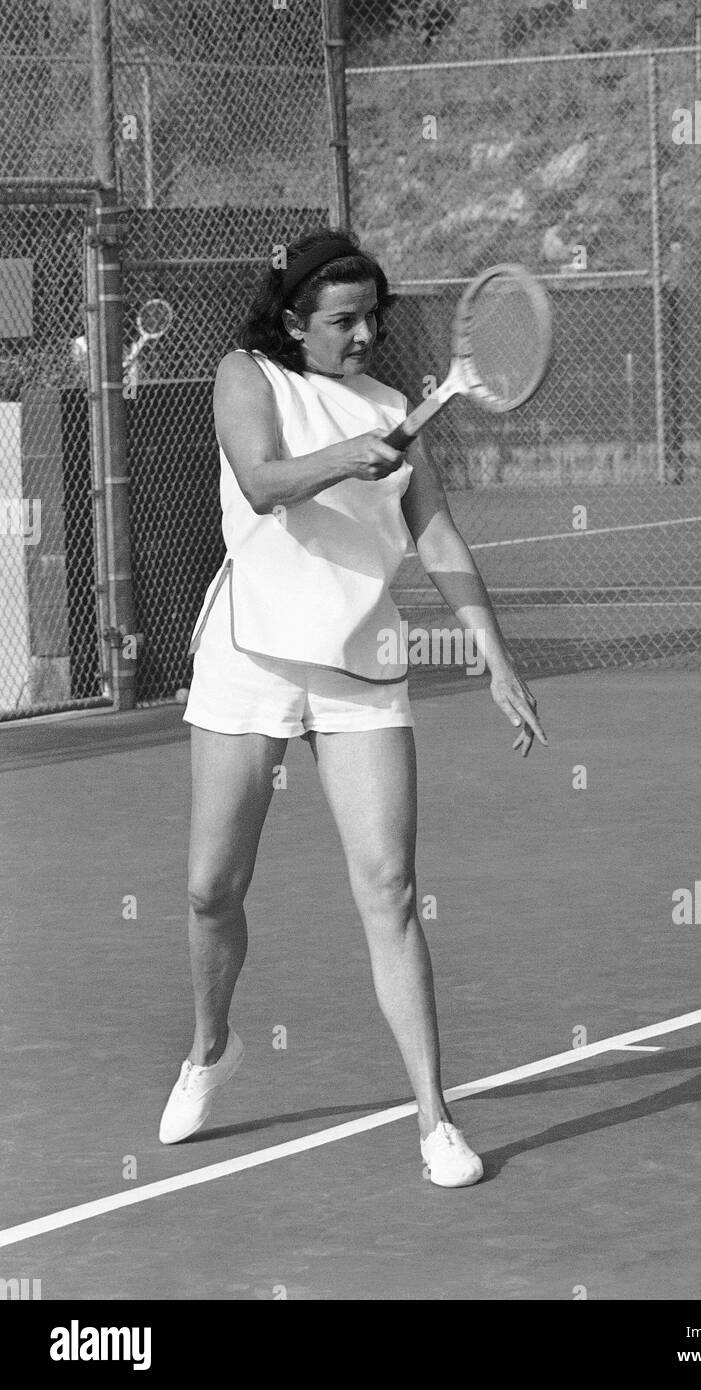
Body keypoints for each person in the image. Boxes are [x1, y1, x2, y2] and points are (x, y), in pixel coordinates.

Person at [158, 229, 547, 1187]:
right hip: (249, 656)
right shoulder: (245, 374)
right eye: (342, 319)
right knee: (213, 887)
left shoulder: (393, 410)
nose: (365, 332)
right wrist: (343, 456)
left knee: (392, 892)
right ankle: (211, 1049)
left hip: (360, 667)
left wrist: (495, 653)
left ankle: (435, 1122)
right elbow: (261, 481)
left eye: (374, 314)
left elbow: (440, 533)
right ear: (295, 320)